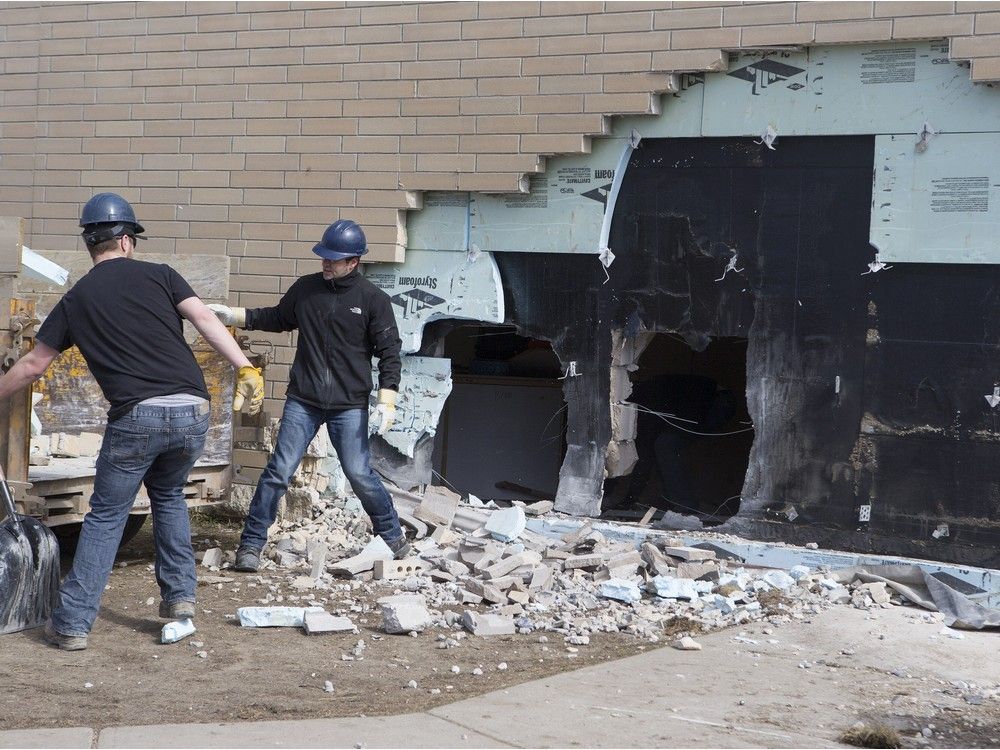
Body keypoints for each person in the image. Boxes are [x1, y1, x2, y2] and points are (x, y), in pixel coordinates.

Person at [0, 193, 265, 651]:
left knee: (106, 516)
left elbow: (33, 365)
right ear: (126, 240)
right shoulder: (162, 275)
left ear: (91, 244)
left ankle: (73, 624)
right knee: (169, 496)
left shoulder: (76, 298)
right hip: (192, 410)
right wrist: (244, 367)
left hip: (138, 416)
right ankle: (180, 598)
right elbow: (204, 318)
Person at [207, 219, 409, 572]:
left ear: (354, 261)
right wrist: (236, 315)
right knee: (279, 471)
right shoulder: (307, 289)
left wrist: (387, 398)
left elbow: (390, 351)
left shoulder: (373, 300)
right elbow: (278, 317)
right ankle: (250, 546)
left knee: (359, 474)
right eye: (324, 257)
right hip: (304, 399)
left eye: (334, 258)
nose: (326, 263)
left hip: (349, 404)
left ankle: (393, 537)